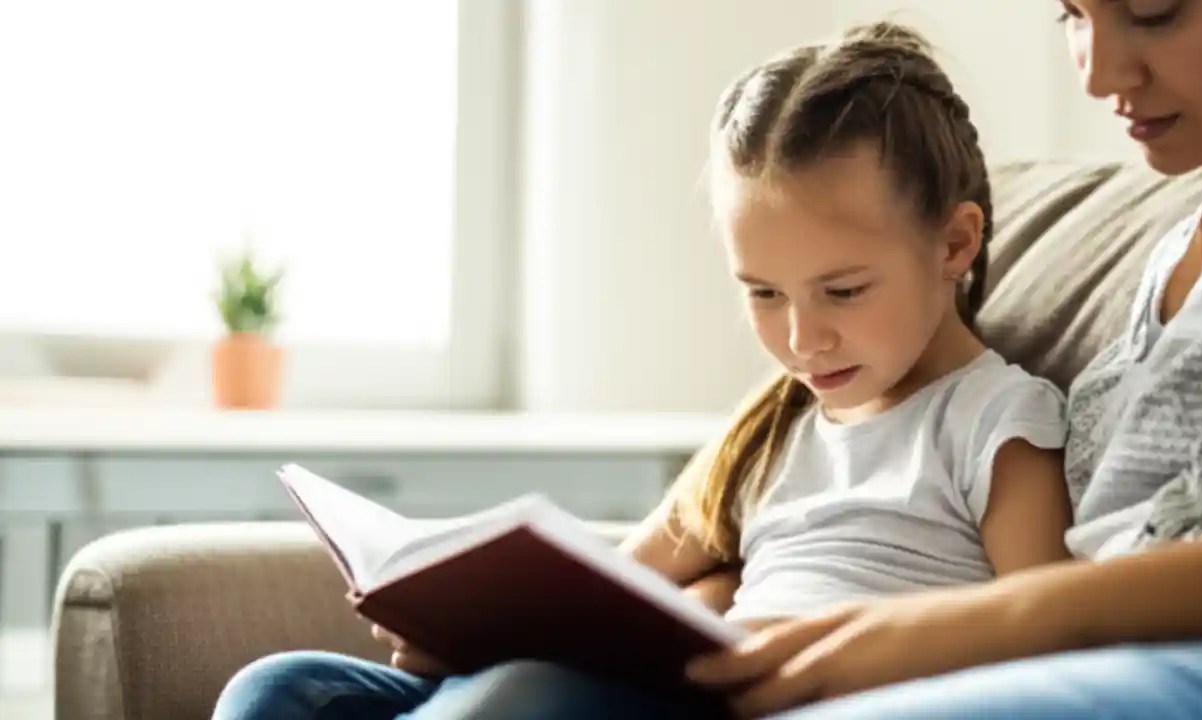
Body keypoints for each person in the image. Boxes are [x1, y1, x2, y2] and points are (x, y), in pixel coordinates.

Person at [212, 21, 1075, 720]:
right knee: (278, 690)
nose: (803, 338)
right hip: (652, 685)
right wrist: (474, 627)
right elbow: (626, 585)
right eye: (764, 293)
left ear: (954, 244)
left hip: (777, 700)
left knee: (520, 701)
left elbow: (1041, 633)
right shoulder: (778, 426)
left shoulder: (997, 420)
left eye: (843, 291)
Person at [683, 1, 1202, 717]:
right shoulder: (1191, 235)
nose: (1096, 77)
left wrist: (977, 624)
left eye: (1152, 10)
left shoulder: (992, 417)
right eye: (1073, 15)